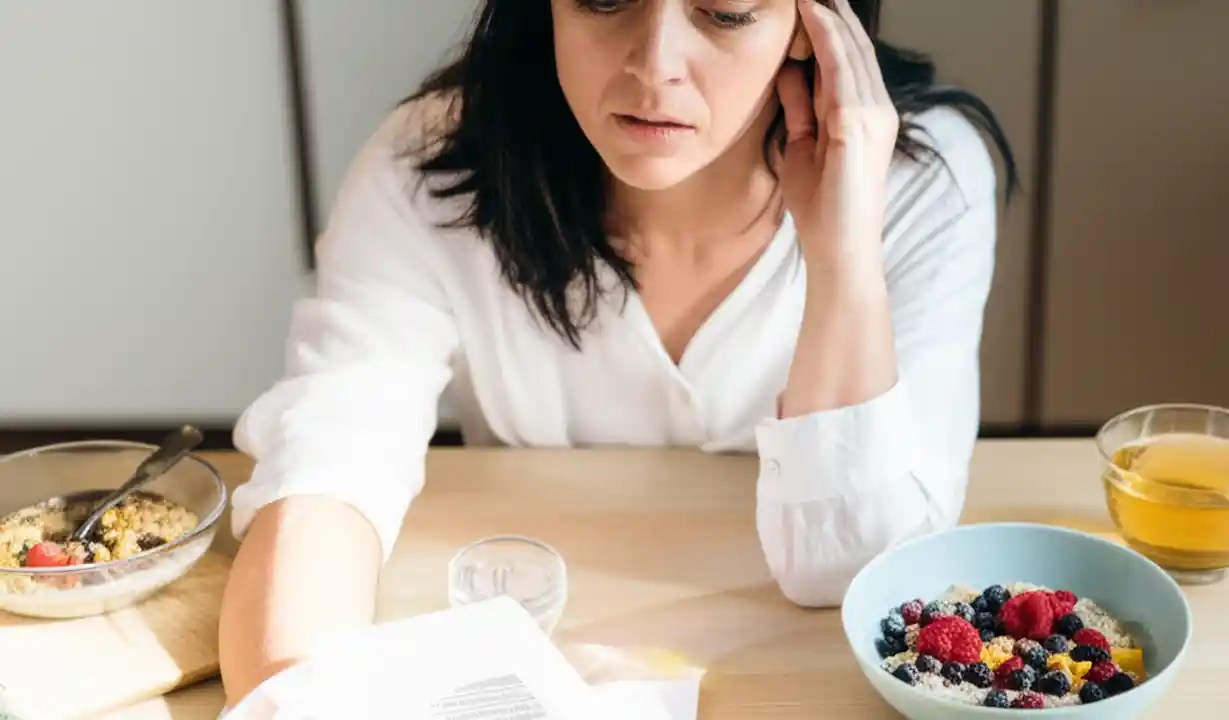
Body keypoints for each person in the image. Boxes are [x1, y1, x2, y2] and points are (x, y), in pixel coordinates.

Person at [219, 0, 1017, 707]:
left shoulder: (921, 176)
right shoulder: (428, 164)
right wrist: (290, 701)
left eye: (726, 11)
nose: (655, 66)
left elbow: (856, 579)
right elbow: (329, 467)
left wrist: (842, 254)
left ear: (812, 29)